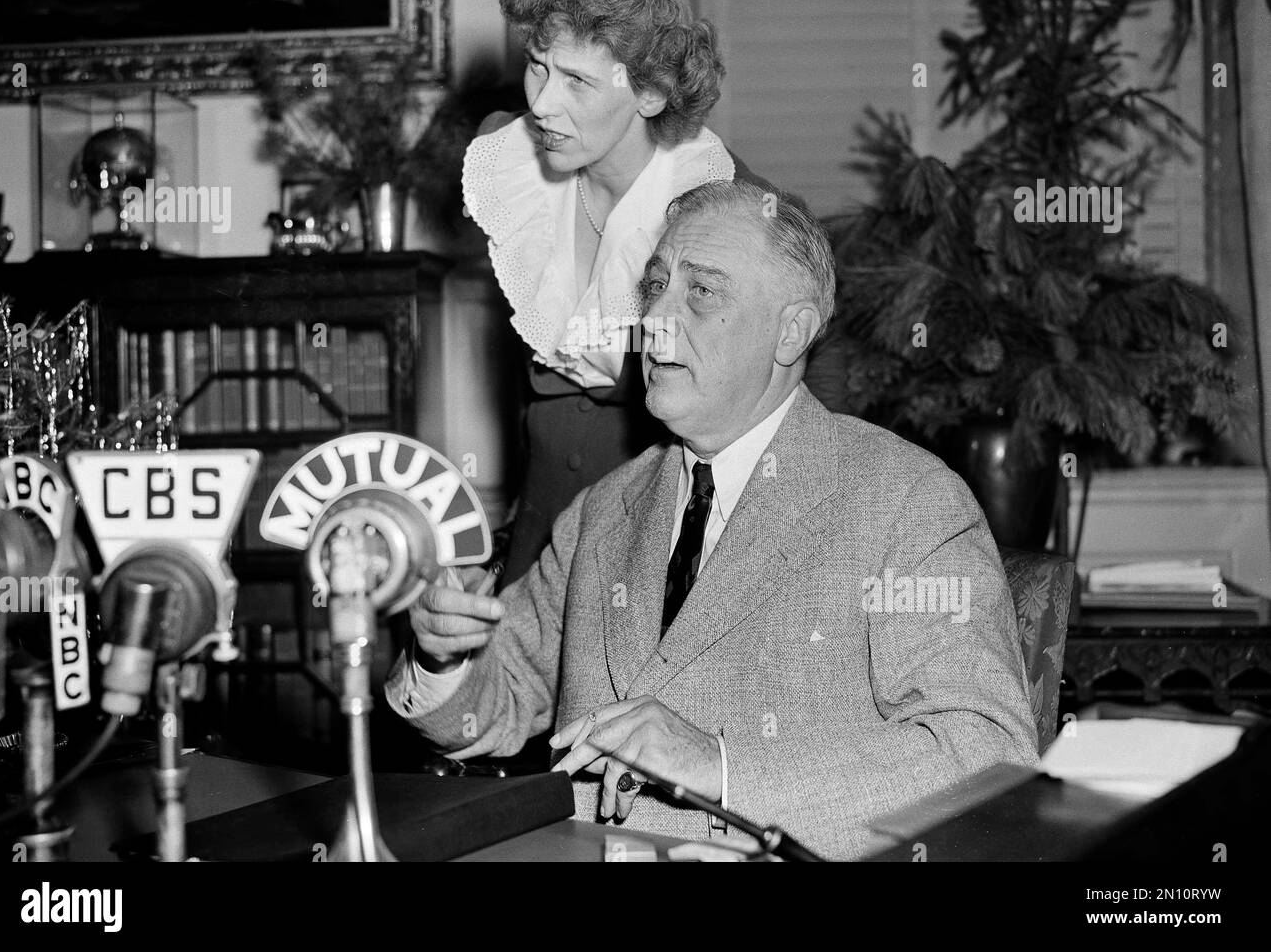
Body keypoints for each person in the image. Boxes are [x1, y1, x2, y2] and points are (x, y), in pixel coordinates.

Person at [387, 179, 1039, 860]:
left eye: (701, 292)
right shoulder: (604, 510)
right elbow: (496, 702)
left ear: (792, 329)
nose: (657, 320)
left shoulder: (906, 502)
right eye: (655, 286)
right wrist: (442, 653)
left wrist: (724, 767)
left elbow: (987, 757)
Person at [465, 0, 768, 586]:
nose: (542, 103)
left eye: (577, 80)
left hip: (664, 552)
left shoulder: (725, 209)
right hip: (539, 549)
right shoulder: (513, 171)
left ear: (652, 93)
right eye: (538, 67)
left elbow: (793, 405)